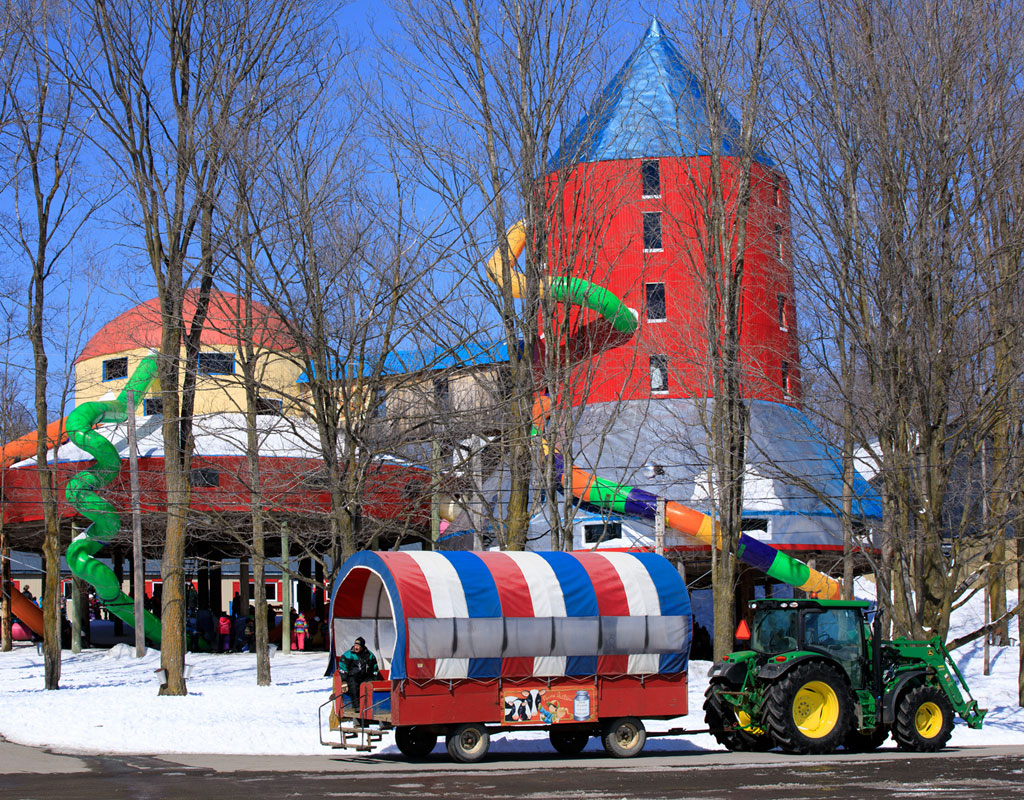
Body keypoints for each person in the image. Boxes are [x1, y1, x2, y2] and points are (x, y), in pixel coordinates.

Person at [339, 636, 380, 717]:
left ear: (362, 647)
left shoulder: (369, 655)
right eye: (355, 645)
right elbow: (342, 667)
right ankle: (357, 706)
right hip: (352, 676)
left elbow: (374, 667)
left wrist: (375, 678)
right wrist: (344, 680)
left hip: (365, 676)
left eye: (358, 646)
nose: (356, 647)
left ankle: (369, 704)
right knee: (353, 684)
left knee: (369, 684)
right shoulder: (348, 655)